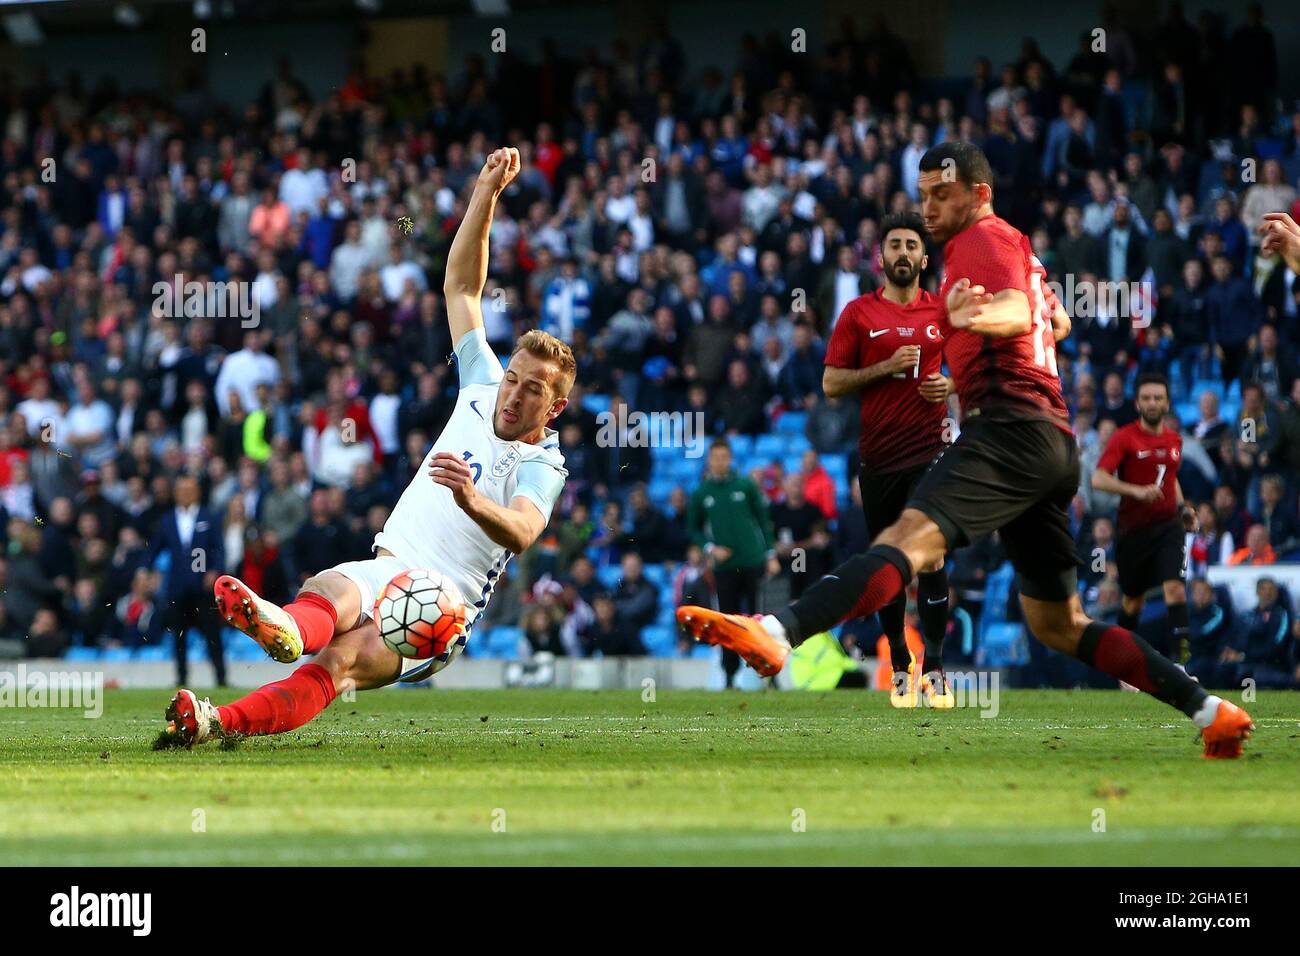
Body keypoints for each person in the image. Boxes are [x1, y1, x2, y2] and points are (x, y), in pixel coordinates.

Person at [678, 142, 1253, 757]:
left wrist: (974, 321)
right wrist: (994, 330)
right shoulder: (1015, 247)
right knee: (1058, 624)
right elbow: (1050, 320)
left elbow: (1011, 311)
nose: (927, 208)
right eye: (922, 194)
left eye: (940, 195)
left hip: (1007, 431)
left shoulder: (980, 240)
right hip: (1051, 442)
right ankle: (1209, 709)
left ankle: (776, 630)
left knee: (902, 545)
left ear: (978, 194)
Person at [164, 148, 574, 746]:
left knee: (341, 661)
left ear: (555, 407)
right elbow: (461, 287)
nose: (513, 393)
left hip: (442, 609)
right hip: (388, 565)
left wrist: (470, 500)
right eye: (514, 377)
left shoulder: (544, 463)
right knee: (329, 589)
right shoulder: (483, 382)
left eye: (532, 389)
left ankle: (228, 711)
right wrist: (485, 192)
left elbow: (523, 531)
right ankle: (270, 643)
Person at [820, 210, 955, 707]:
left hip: (932, 453)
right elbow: (832, 383)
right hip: (879, 460)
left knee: (934, 553)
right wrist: (882, 368)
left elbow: (975, 364)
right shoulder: (858, 314)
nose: (902, 253)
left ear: (924, 257)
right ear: (881, 257)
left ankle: (936, 666)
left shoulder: (942, 312)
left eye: (911, 245)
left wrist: (953, 384)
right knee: (891, 566)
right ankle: (900, 659)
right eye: (894, 245)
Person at [1090, 373, 1197, 662]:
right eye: (1147, 398)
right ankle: (1124, 666)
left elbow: (1170, 479)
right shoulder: (1124, 437)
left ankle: (1181, 666)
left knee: (1175, 589)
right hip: (1133, 531)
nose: (1152, 403)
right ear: (1137, 403)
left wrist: (1184, 508)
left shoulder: (1174, 439)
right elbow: (1098, 479)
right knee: (1132, 600)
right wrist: (1135, 491)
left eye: (1158, 398)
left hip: (1168, 528)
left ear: (1167, 403)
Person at [684, 437, 777, 688]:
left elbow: (763, 519)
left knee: (760, 618)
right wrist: (710, 548)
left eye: (724, 457)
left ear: (730, 459)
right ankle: (729, 675)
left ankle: (769, 671)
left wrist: (770, 554)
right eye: (715, 458)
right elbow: (692, 527)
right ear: (709, 460)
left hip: (752, 560)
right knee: (727, 621)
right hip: (725, 567)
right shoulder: (703, 493)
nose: (719, 462)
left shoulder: (745, 485)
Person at [148, 474, 227, 687]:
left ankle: (221, 677)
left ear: (197, 492)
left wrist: (215, 571)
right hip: (177, 586)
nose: (185, 494)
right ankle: (182, 677)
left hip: (202, 586)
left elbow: (218, 548)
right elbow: (154, 549)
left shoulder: (209, 517)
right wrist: (146, 571)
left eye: (189, 489)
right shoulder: (167, 520)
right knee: (178, 635)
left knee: (212, 633)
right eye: (181, 489)